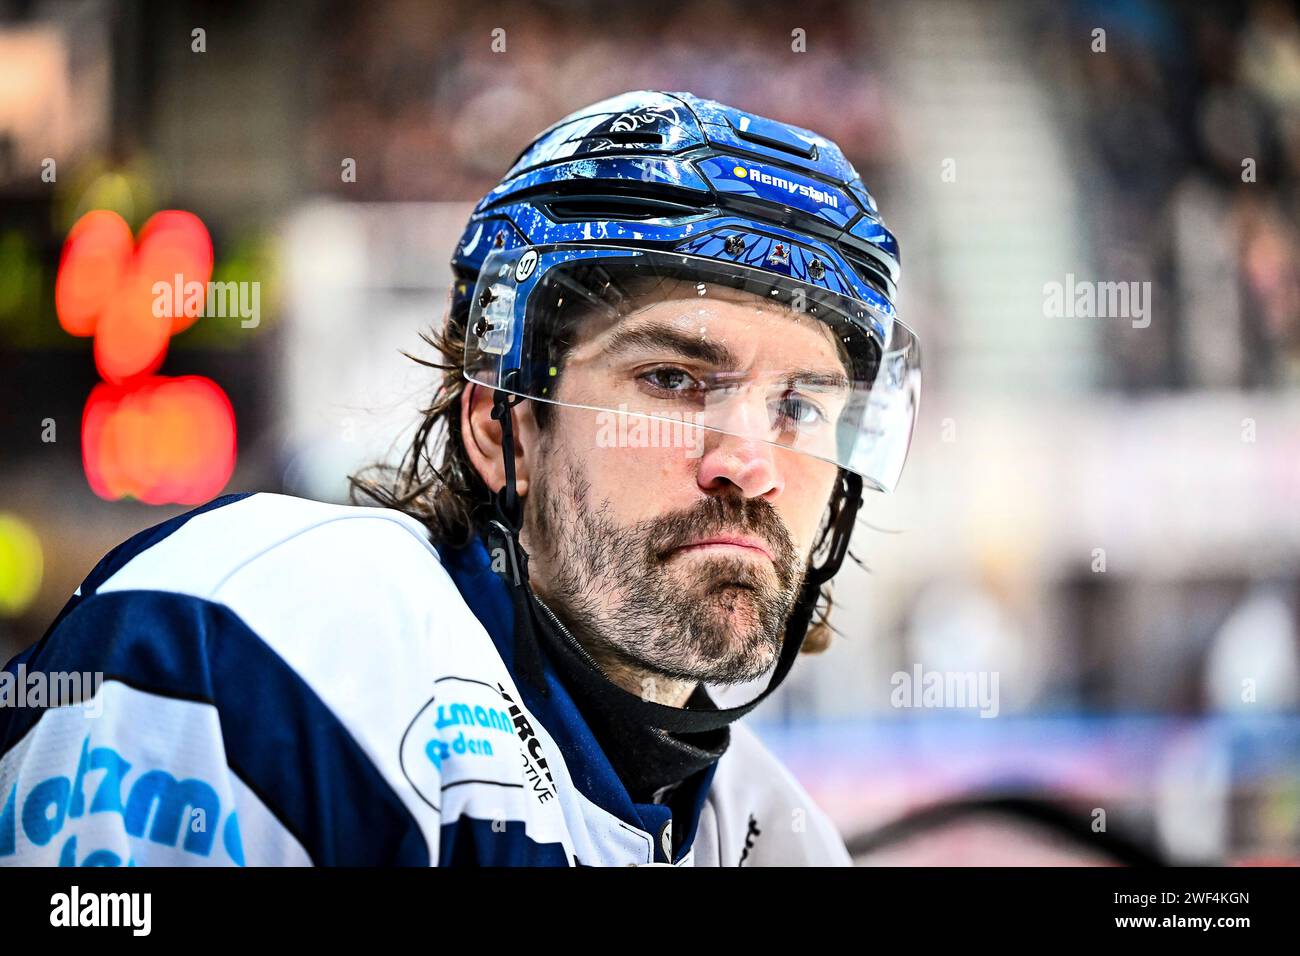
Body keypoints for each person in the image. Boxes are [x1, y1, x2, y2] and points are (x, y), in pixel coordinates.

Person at [0, 90, 919, 866]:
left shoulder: (779, 836)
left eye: (800, 408)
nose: (750, 466)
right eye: (673, 380)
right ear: (498, 422)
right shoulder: (257, 645)